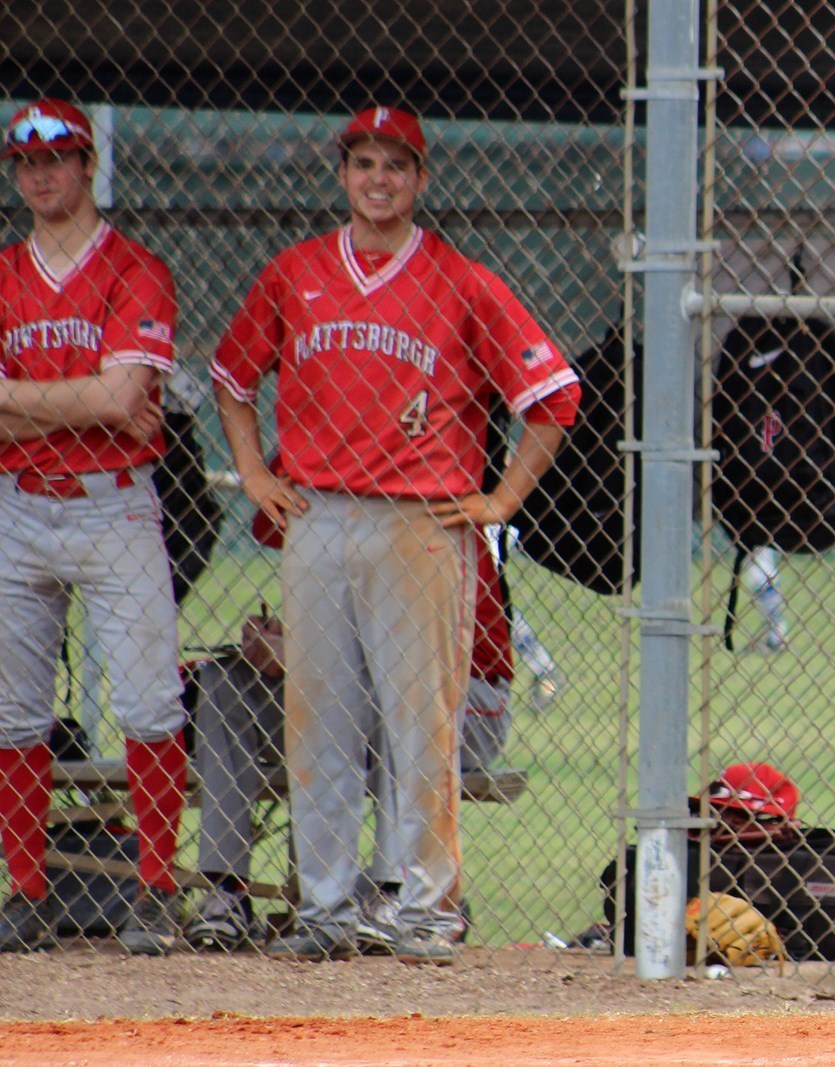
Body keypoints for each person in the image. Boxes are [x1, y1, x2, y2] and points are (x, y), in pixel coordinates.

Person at [210, 105, 579, 964]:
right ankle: (329, 908)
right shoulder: (295, 273)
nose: (379, 180)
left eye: (396, 166)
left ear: (420, 180)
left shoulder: (460, 280)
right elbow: (232, 377)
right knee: (321, 722)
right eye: (364, 163)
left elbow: (554, 395)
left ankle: (424, 908)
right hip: (315, 514)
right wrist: (256, 476)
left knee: (420, 724)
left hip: (420, 520)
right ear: (343, 175)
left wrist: (501, 499)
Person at [0, 99, 191, 957]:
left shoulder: (137, 269)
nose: (41, 174)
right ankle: (28, 892)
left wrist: (19, 402)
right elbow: (111, 401)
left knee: (150, 703)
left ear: (87, 166)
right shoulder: (4, 273)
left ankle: (156, 891)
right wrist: (91, 406)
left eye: (59, 157)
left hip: (117, 501)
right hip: (18, 508)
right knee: (11, 714)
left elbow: (124, 401)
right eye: (26, 161)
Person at [182, 525, 517, 953]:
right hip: (355, 691)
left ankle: (388, 894)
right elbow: (271, 525)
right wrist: (285, 646)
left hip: (466, 704)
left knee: (395, 687)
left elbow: (402, 652)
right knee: (222, 682)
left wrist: (301, 656)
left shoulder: (426, 523)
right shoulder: (333, 519)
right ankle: (225, 891)